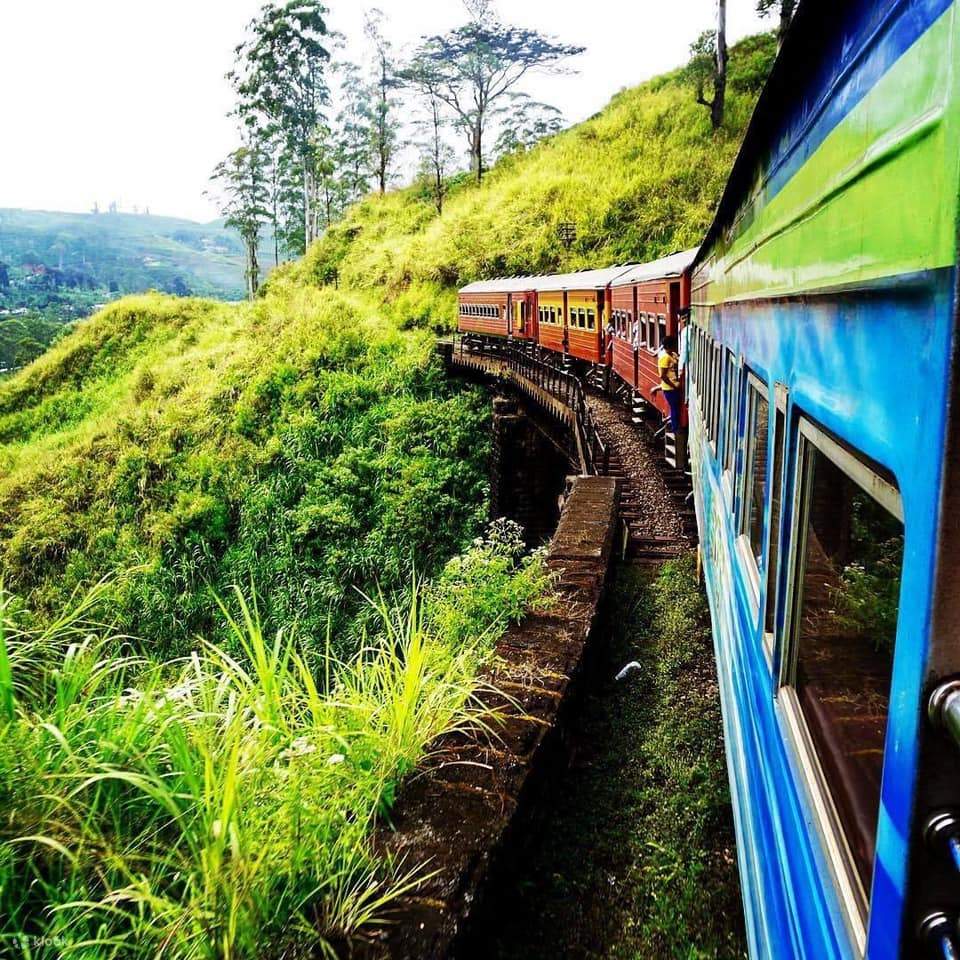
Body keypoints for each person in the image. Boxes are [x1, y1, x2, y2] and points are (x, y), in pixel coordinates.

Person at [652, 333, 683, 433]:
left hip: (674, 386)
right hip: (669, 389)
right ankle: (675, 428)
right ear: (669, 346)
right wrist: (674, 385)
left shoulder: (672, 355)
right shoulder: (665, 358)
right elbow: (663, 376)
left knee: (676, 407)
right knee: (674, 408)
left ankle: (675, 425)